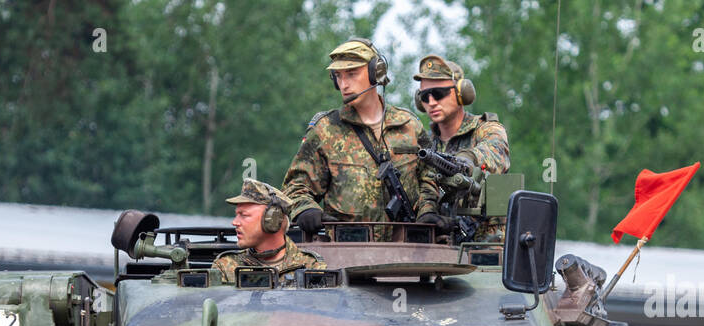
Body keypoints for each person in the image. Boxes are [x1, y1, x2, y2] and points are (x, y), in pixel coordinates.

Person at [281, 38, 436, 232]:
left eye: (352, 74)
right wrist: (306, 210)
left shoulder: (409, 125)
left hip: (407, 249)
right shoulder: (326, 130)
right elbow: (295, 187)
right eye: (338, 76)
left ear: (375, 73)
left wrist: (427, 210)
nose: (344, 84)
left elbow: (431, 177)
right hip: (349, 250)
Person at [412, 54, 510, 241]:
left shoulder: (485, 129)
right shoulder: (424, 145)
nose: (432, 102)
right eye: (425, 96)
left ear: (461, 92)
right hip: (439, 250)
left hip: (485, 250)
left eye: (439, 94)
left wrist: (468, 159)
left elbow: (496, 154)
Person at [213, 180, 325, 283]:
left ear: (273, 219)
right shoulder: (226, 266)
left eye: (244, 215)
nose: (235, 222)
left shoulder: (311, 266)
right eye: (236, 215)